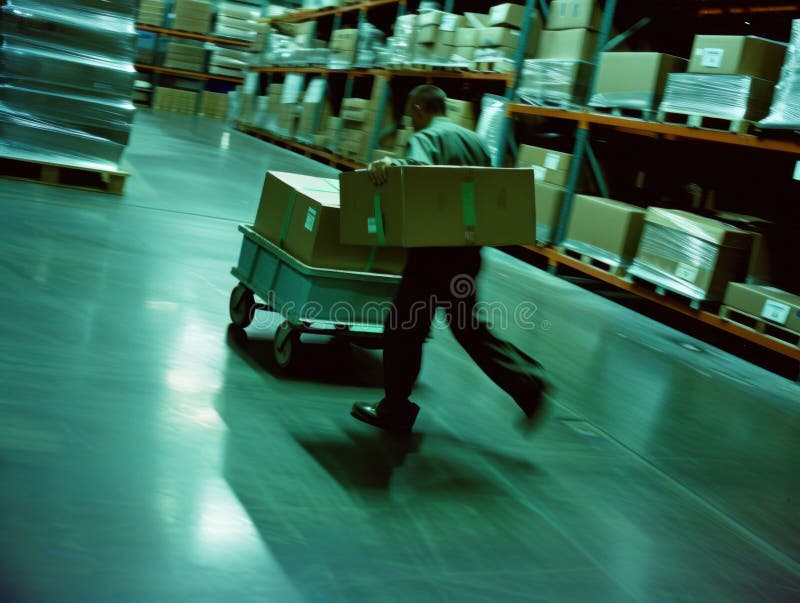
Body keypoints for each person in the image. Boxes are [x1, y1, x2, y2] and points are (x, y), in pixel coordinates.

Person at [350, 85, 550, 433]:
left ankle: (395, 409)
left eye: (410, 117)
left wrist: (391, 163)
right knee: (469, 328)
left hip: (432, 253)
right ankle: (527, 383)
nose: (411, 124)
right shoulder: (475, 141)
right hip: (468, 252)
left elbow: (419, 170)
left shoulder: (426, 136)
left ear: (418, 109)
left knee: (402, 328)